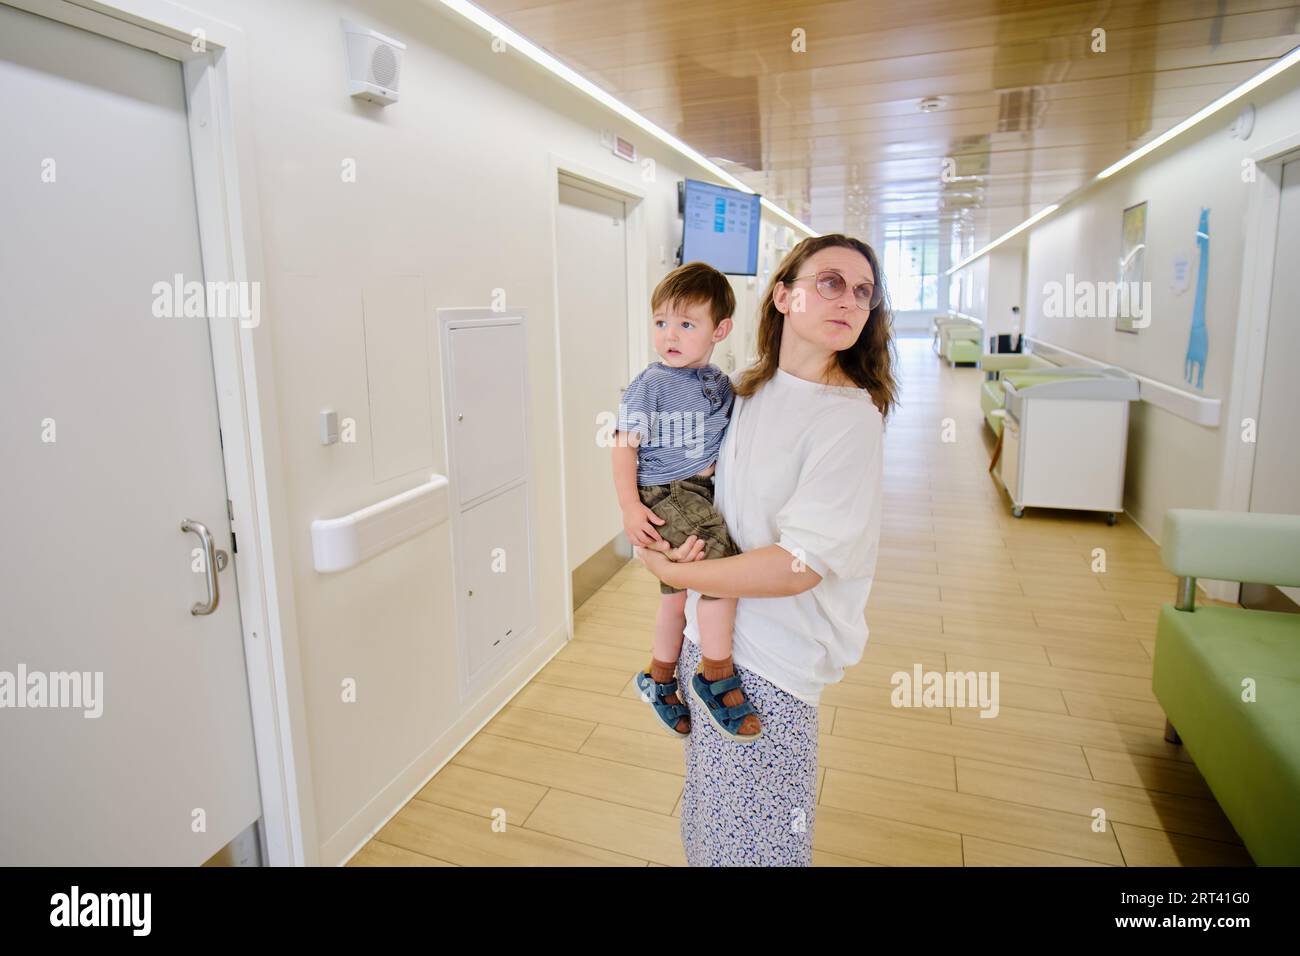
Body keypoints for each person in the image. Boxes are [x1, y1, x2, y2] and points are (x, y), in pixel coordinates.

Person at [635, 233, 896, 866]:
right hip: (709, 640)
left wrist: (667, 568)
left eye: (863, 292)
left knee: (756, 848)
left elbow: (798, 566)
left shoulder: (847, 419)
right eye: (830, 281)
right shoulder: (747, 392)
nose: (850, 301)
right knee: (707, 826)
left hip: (771, 664)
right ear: (783, 294)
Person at [613, 261, 761, 743]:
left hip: (697, 490)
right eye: (661, 323)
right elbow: (623, 447)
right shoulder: (651, 383)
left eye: (685, 324)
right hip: (666, 492)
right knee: (721, 569)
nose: (669, 336)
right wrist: (631, 510)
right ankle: (716, 674)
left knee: (675, 598)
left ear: (720, 330)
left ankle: (659, 680)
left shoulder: (718, 382)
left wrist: (712, 462)